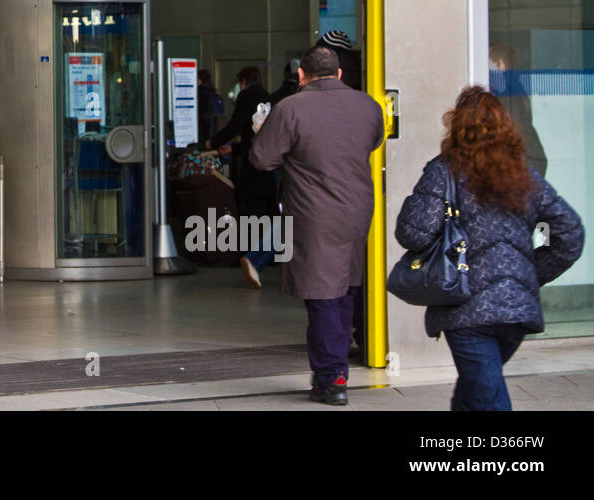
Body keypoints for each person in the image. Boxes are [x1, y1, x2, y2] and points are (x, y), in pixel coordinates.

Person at [395, 87, 583, 411]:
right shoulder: (523, 174)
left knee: (488, 399)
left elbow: (413, 234)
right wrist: (527, 272)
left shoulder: (444, 171)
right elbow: (567, 232)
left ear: (457, 126)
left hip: (465, 306)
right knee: (477, 392)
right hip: (514, 312)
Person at [249, 45, 385, 406]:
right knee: (347, 286)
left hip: (313, 213)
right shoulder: (368, 105)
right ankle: (336, 368)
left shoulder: (291, 108)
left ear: (301, 75)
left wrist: (264, 130)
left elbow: (262, 159)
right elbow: (373, 141)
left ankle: (332, 377)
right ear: (339, 73)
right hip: (357, 211)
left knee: (322, 294)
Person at [206, 66, 276, 288]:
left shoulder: (247, 95)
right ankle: (267, 254)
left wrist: (214, 142)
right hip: (270, 161)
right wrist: (234, 149)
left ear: (243, 81)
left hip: (254, 162)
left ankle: (252, 254)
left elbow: (236, 125)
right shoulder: (267, 97)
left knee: (253, 207)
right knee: (271, 210)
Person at [488, 44, 547, 178]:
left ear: (501, 65)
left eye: (490, 65)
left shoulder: (506, 95)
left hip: (517, 164)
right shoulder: (517, 90)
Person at [196, 69, 224, 145]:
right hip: (218, 134)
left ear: (200, 80)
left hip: (204, 135)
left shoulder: (200, 95)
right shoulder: (216, 96)